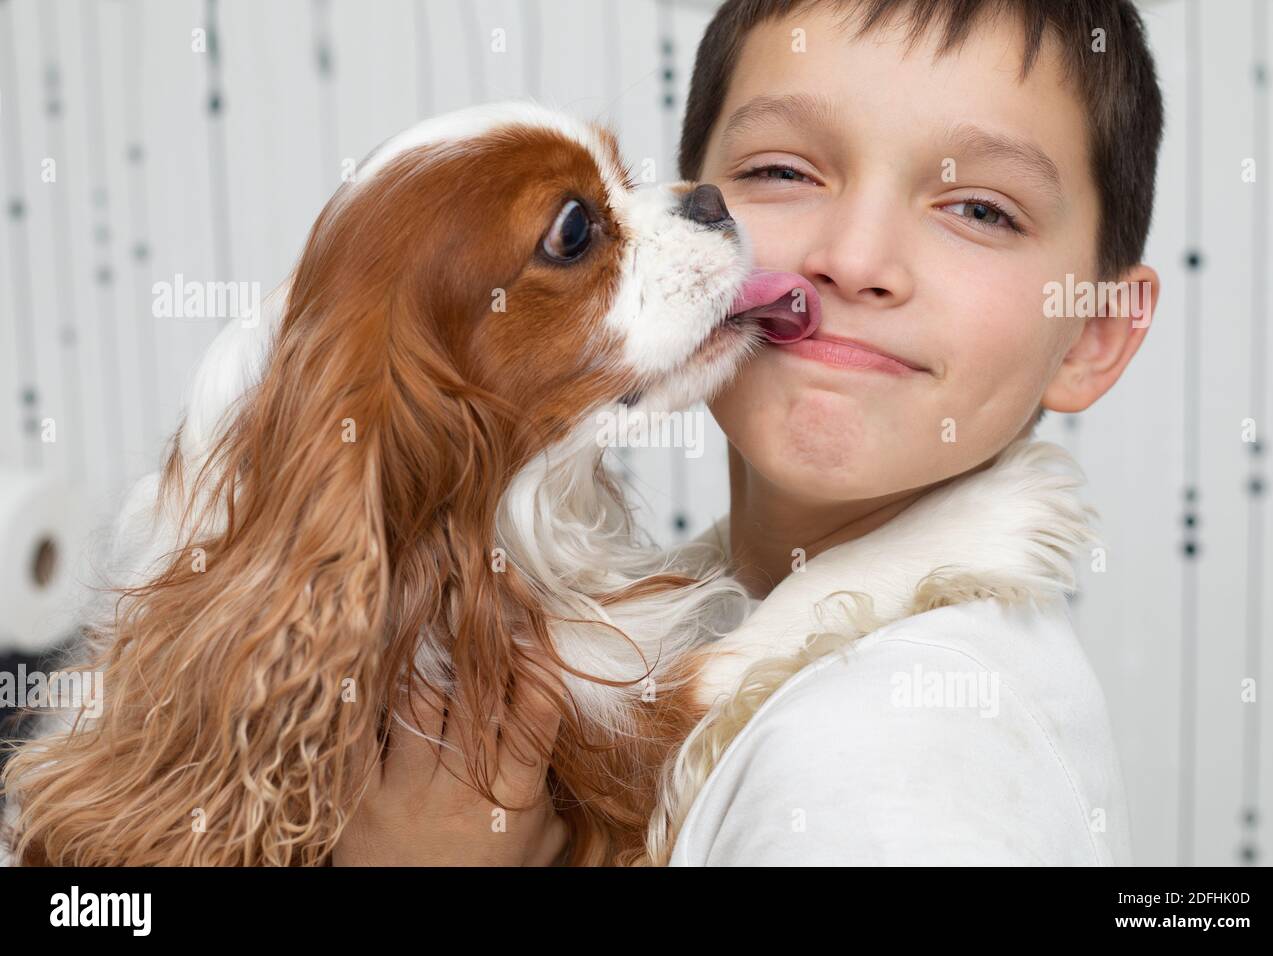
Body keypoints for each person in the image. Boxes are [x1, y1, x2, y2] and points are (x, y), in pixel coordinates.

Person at [334, 0, 1162, 866]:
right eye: (785, 171)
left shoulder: (895, 758)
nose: (855, 256)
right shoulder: (679, 621)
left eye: (981, 210)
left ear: (1095, 330)